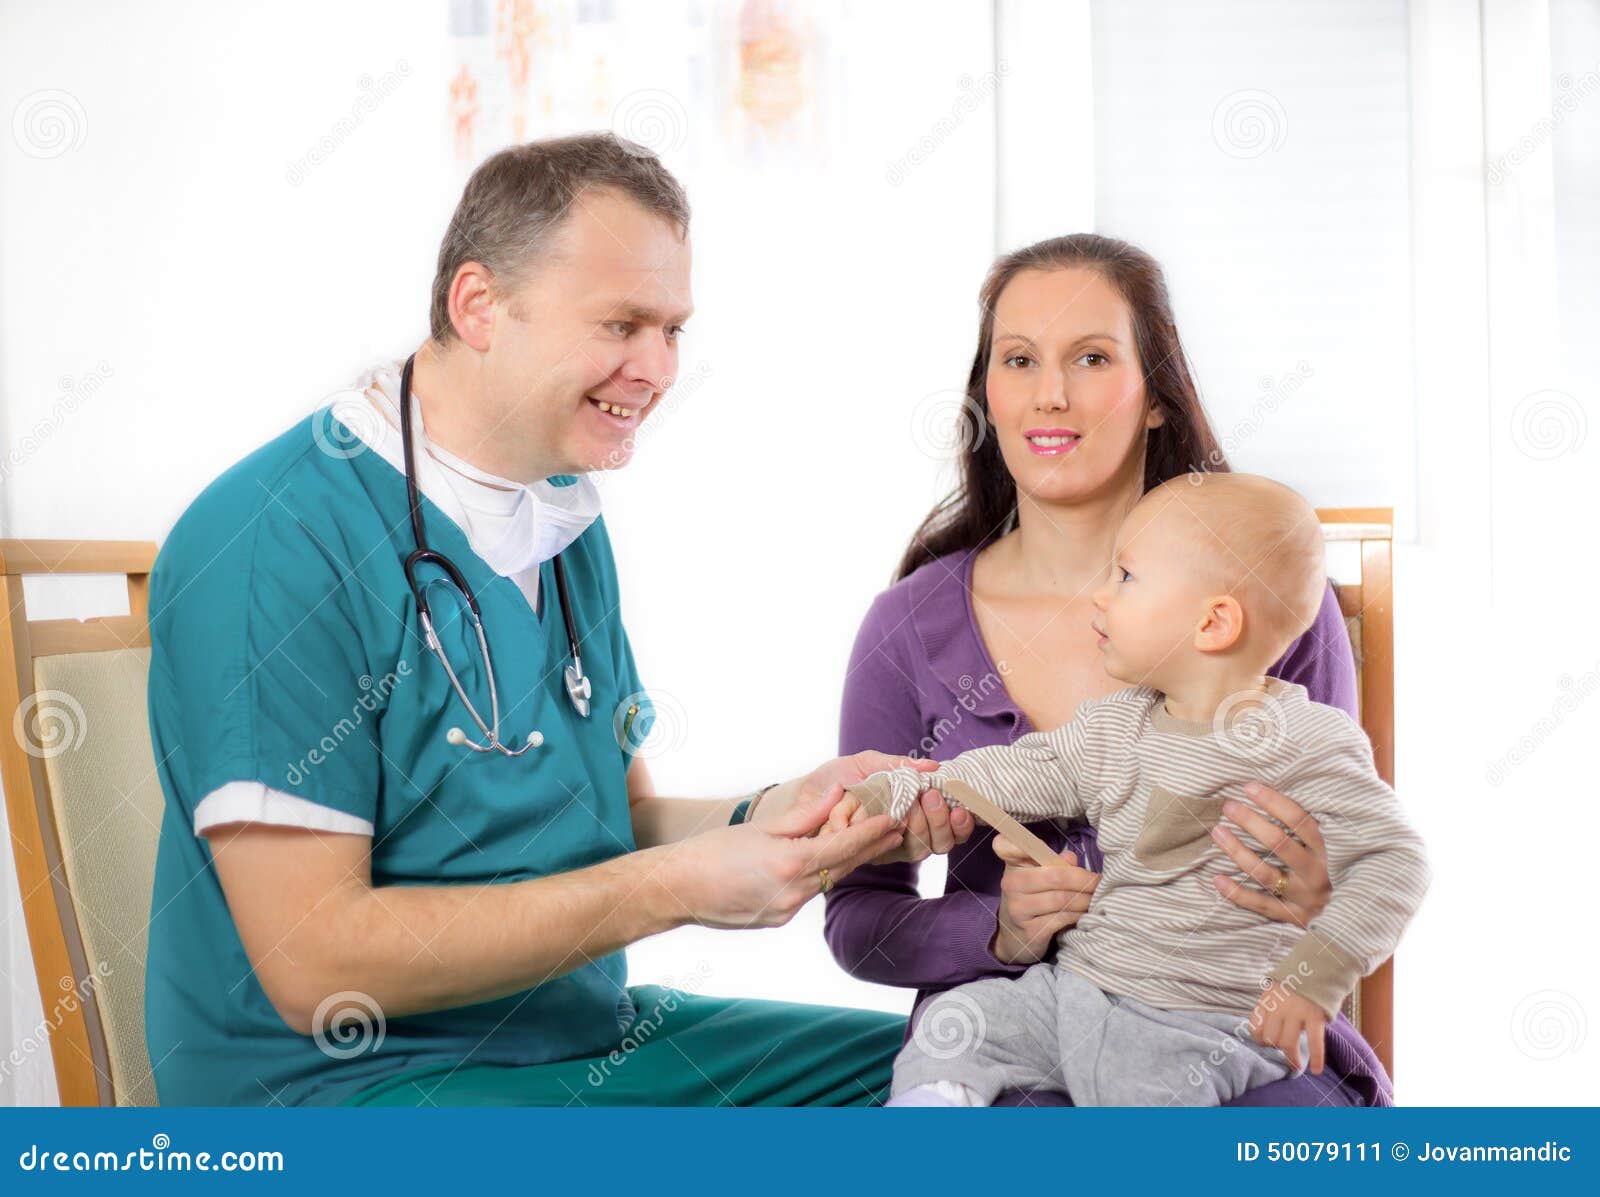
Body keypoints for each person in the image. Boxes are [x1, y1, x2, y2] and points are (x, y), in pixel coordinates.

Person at [142, 132, 941, 1107]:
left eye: (674, 329)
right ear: (478, 305)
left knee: (972, 1073)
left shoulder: (553, 512)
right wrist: (679, 889)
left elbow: (617, 817)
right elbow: (314, 964)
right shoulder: (277, 539)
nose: (656, 367)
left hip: (575, 1043)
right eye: (621, 324)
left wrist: (784, 813)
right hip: (348, 1091)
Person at [823, 233, 1397, 1106]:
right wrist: (1000, 930)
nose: (1050, 393)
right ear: (988, 393)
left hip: (1233, 1034)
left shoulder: (1268, 601)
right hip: (1025, 1037)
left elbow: (1368, 859)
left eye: (1091, 357)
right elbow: (859, 921)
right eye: (1018, 359)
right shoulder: (905, 627)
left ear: (1157, 395)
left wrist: (1319, 892)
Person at [828, 474, 1431, 1106]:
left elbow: (1396, 863)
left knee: (1144, 1106)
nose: (1099, 597)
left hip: (1202, 1026)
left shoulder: (1307, 741)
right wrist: (906, 790)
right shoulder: (1120, 722)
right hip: (1078, 989)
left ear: (1214, 622)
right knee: (961, 1027)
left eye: (1125, 577)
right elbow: (1021, 771)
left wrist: (1312, 976)